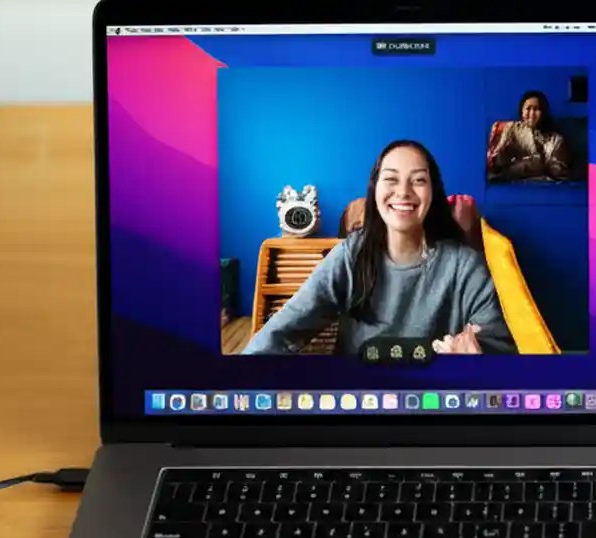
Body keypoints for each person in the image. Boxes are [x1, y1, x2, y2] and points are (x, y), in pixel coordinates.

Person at [244, 139, 516, 356]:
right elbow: (283, 330)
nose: (403, 192)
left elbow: (500, 344)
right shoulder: (351, 256)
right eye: (391, 179)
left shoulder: (465, 266)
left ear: (433, 193)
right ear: (375, 189)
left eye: (418, 180)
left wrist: (477, 356)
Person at [486, 90, 569, 181]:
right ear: (522, 111)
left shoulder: (556, 140)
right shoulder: (511, 130)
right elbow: (495, 162)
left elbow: (559, 173)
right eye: (528, 109)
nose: (532, 113)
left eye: (536, 109)